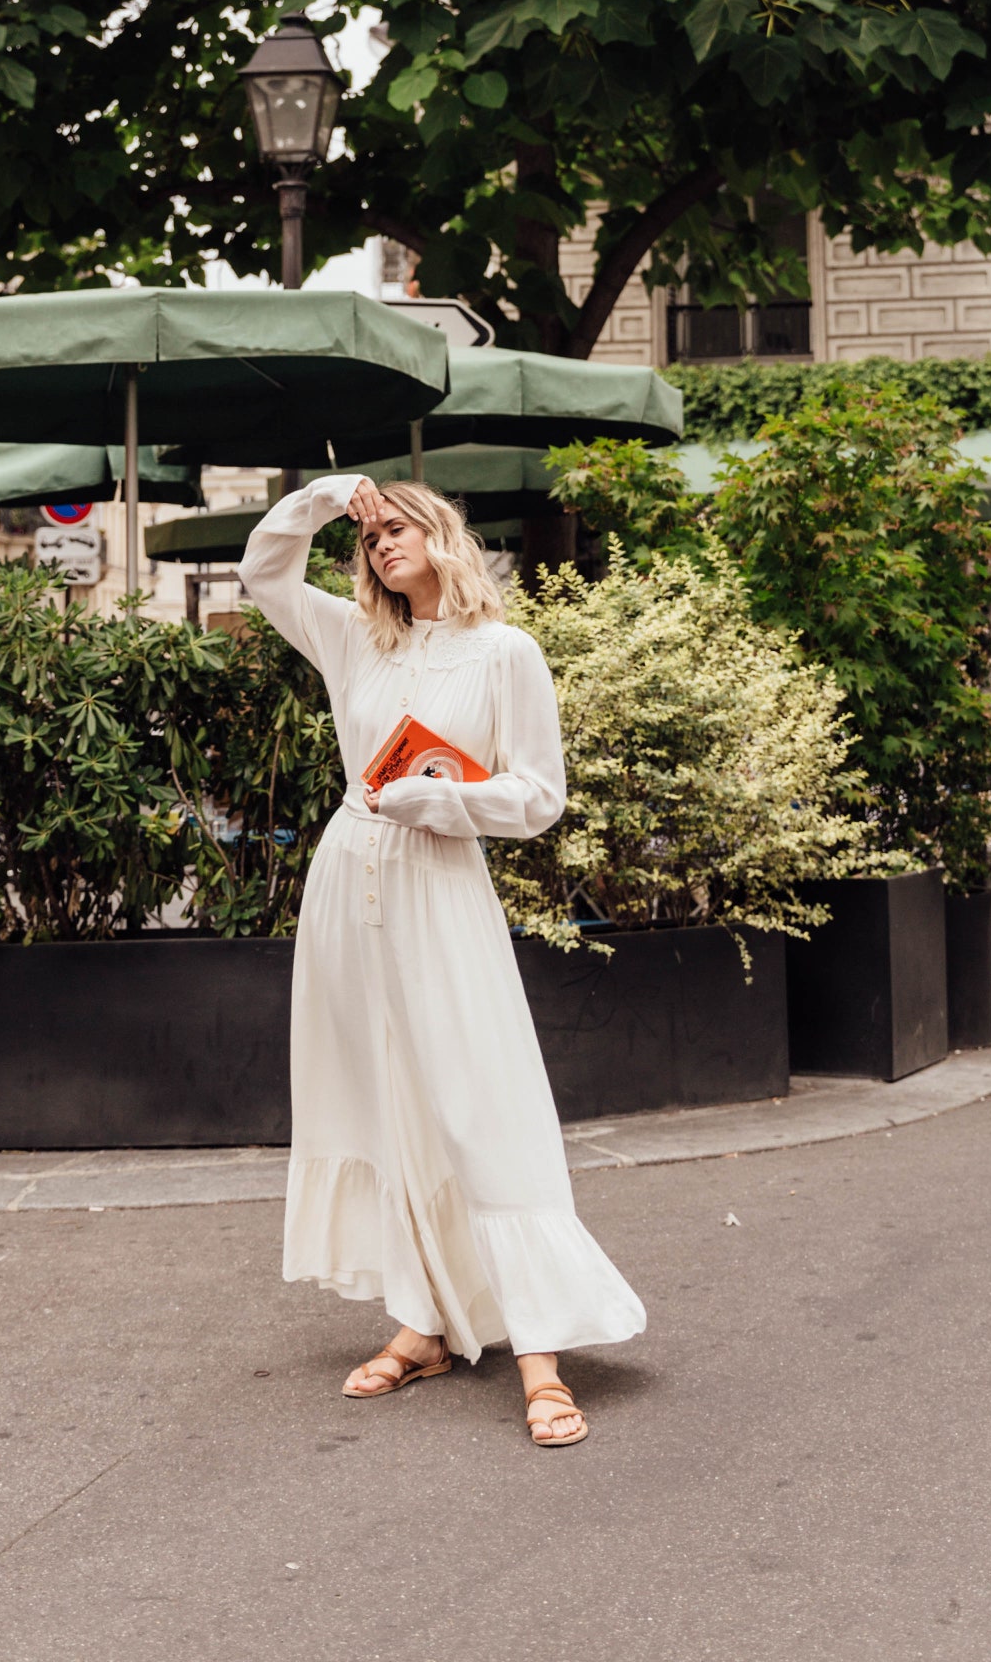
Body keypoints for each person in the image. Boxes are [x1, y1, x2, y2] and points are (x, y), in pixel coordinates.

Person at [237, 471, 645, 1449]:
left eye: (399, 528)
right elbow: (262, 571)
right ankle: (422, 1324)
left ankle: (540, 1354)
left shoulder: (505, 653)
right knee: (386, 1101)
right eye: (372, 538)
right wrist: (330, 499)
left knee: (481, 1099)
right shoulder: (350, 639)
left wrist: (441, 805)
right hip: (350, 890)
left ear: (444, 536)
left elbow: (538, 796)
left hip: (440, 888)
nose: (382, 546)